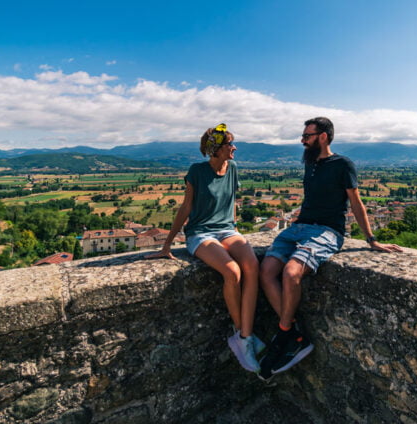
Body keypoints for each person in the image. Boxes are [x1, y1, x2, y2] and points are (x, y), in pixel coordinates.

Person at [258, 117, 402, 380]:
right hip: (300, 228)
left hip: (327, 232)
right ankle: (291, 333)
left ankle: (284, 334)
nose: (302, 140)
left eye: (307, 136)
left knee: (291, 274)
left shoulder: (343, 164)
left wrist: (371, 239)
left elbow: (355, 203)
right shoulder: (311, 163)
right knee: (266, 271)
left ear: (323, 136)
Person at [146, 123, 264, 373]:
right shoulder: (197, 171)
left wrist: (233, 227)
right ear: (216, 150)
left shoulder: (232, 168)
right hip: (201, 232)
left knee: (253, 266)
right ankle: (243, 338)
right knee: (233, 272)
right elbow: (186, 208)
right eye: (230, 144)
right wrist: (167, 245)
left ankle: (247, 334)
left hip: (226, 230)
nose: (234, 148)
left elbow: (232, 200)